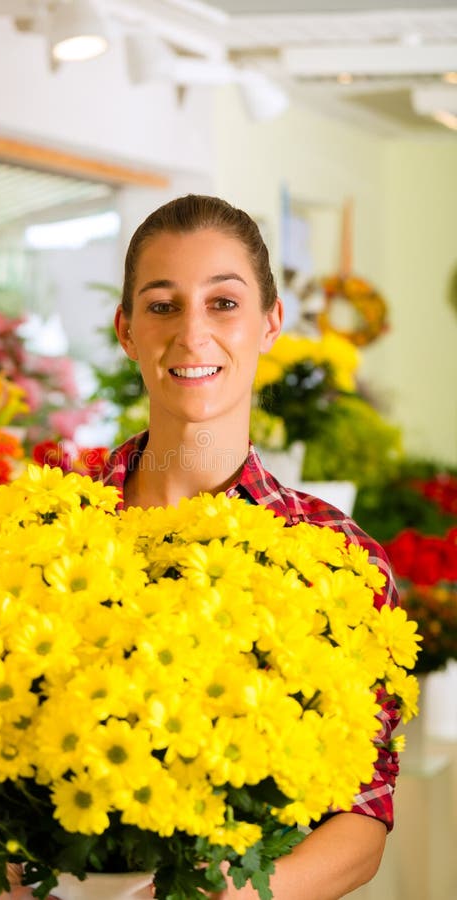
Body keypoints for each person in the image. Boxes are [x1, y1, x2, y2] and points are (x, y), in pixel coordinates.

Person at [98, 194, 400, 900]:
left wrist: (236, 895)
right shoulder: (42, 526)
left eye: (223, 303)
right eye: (163, 305)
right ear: (126, 329)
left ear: (270, 323)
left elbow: (362, 816)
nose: (192, 334)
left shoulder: (335, 555)